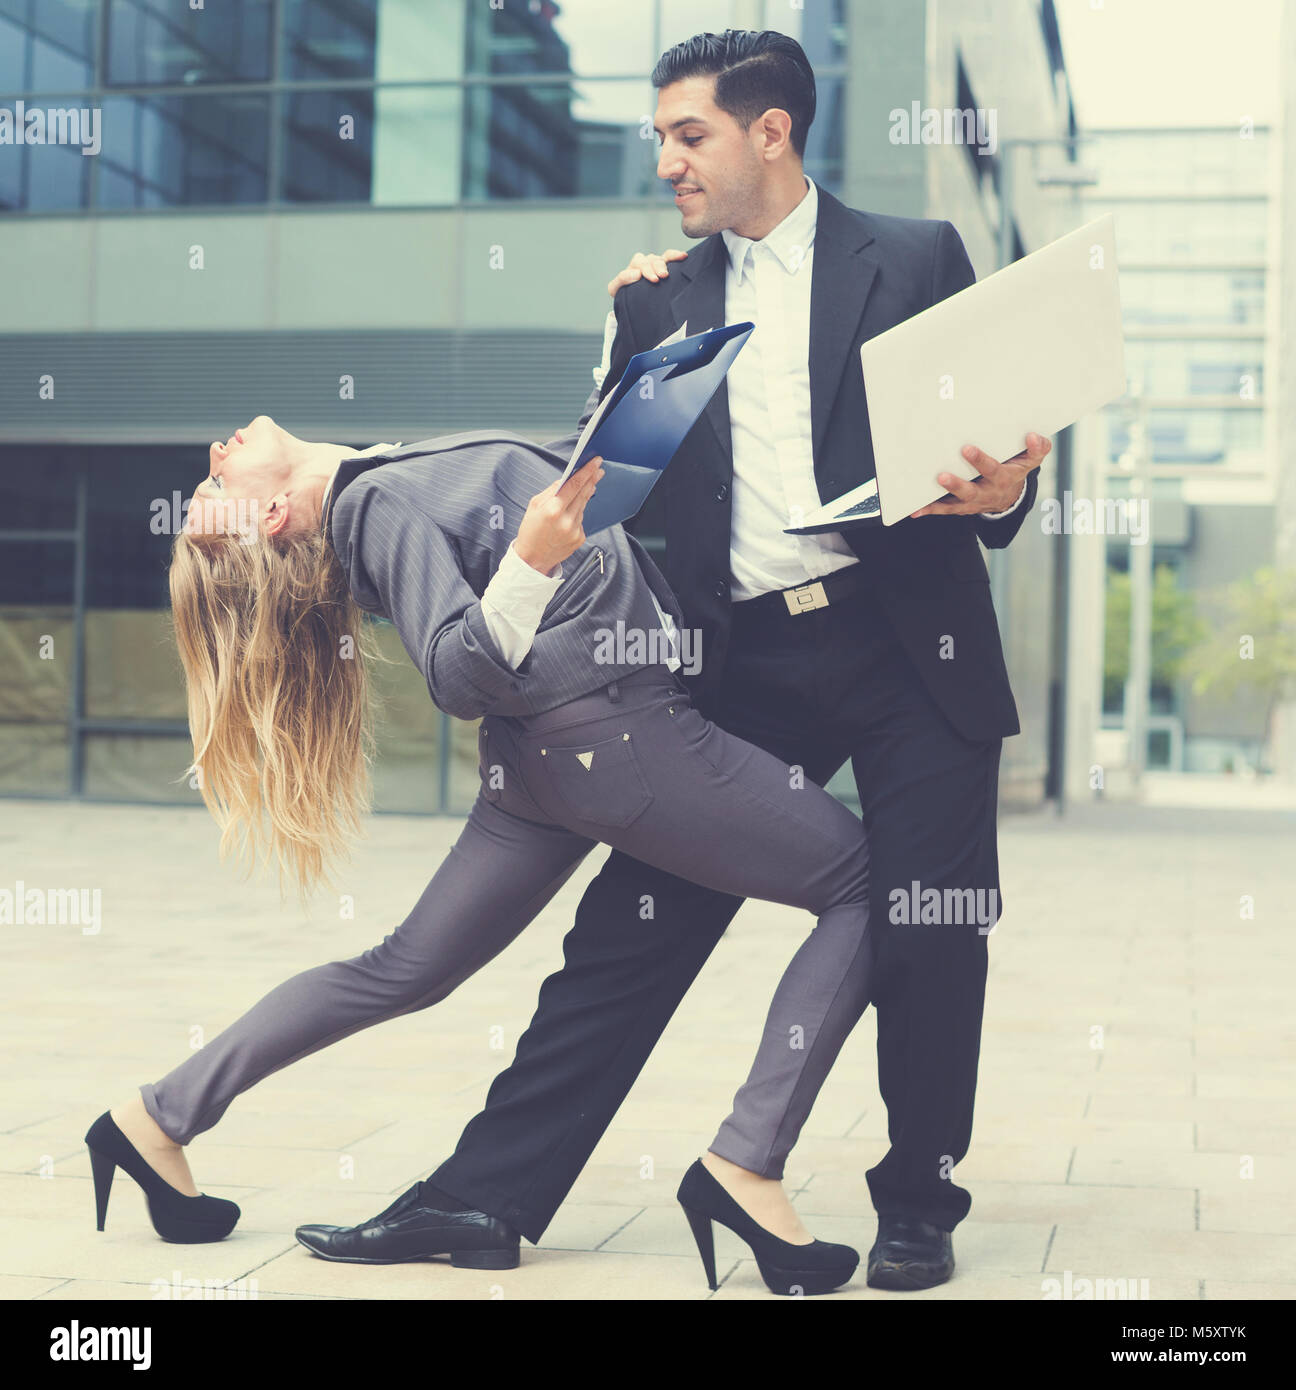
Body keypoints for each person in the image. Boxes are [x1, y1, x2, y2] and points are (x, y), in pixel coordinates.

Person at [307, 28, 1048, 1293]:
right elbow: (593, 484)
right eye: (659, 136)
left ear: (772, 132)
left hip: (906, 637)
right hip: (736, 657)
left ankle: (918, 1196)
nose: (666, 160)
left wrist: (1004, 488)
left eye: (687, 134)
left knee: (932, 920)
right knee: (629, 929)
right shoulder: (655, 296)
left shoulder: (918, 255)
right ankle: (483, 1196)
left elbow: (1006, 462)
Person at [85, 407, 879, 1295]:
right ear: (271, 516)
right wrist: (532, 562)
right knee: (865, 884)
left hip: (542, 760)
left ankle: (156, 1118)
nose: (213, 451)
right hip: (616, 739)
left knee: (401, 969)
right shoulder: (374, 506)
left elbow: (569, 467)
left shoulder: (376, 471)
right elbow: (458, 673)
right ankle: (749, 1161)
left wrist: (630, 339)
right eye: (215, 487)